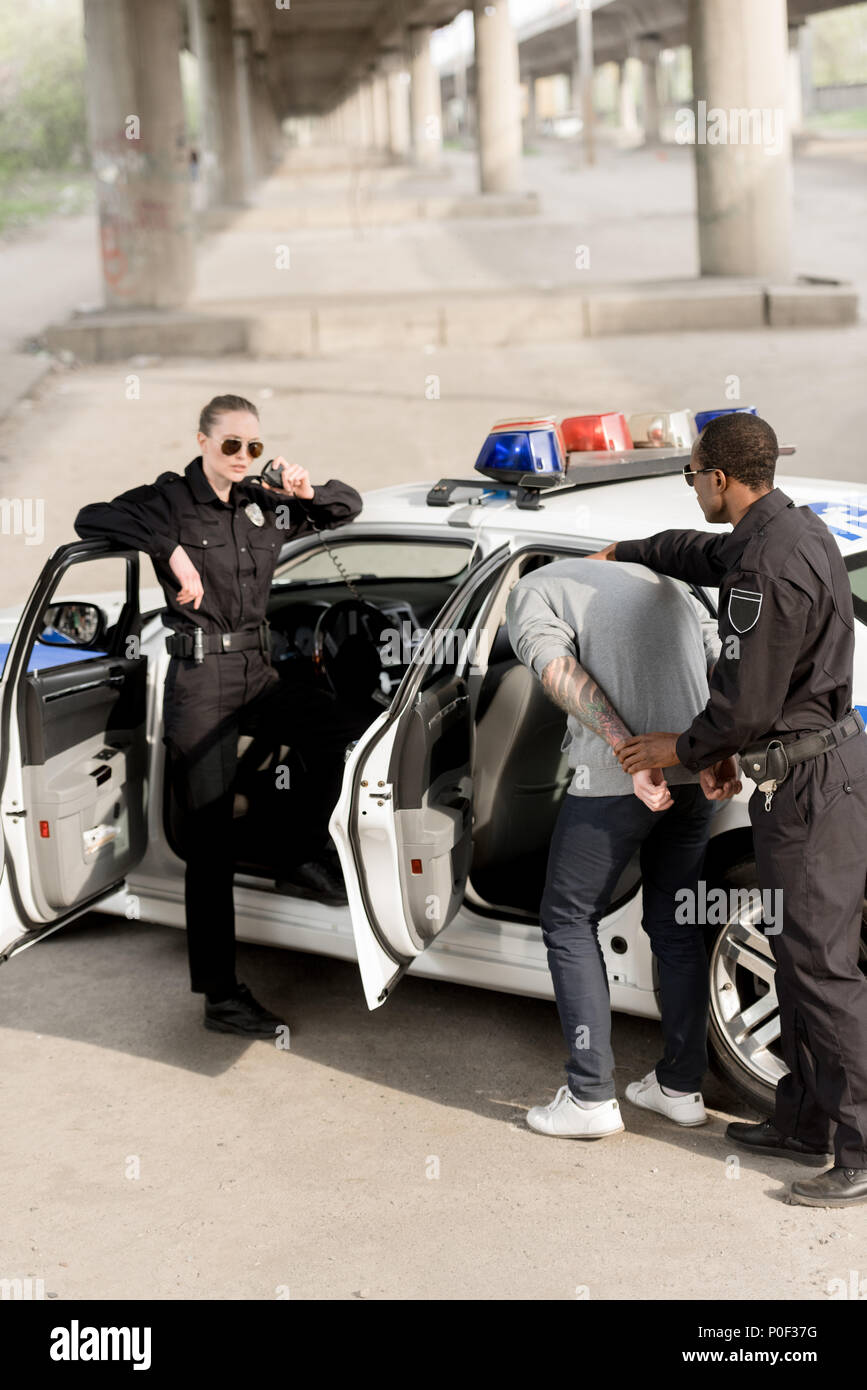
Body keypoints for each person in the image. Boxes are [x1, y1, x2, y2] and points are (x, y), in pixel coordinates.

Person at [593, 411, 867, 1207]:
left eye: (690, 475)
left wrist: (674, 752)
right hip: (813, 776)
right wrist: (632, 552)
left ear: (718, 478)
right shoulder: (787, 531)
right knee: (793, 957)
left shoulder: (765, 570)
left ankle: (858, 1148)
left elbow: (741, 708)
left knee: (822, 971)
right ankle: (804, 1120)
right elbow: (700, 552)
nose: (692, 486)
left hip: (807, 789)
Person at [74, 394, 363, 1038]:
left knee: (348, 736)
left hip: (258, 674)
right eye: (230, 444)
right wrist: (170, 549)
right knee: (210, 846)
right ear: (202, 441)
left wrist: (304, 488)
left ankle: (296, 848)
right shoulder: (170, 499)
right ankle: (221, 997)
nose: (241, 457)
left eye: (252, 446)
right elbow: (89, 516)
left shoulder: (265, 500)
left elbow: (348, 507)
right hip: (200, 681)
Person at [506, 555, 737, 1139]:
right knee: (677, 923)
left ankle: (589, 1097)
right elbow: (719, 666)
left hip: (619, 781)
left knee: (567, 918)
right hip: (692, 771)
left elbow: (555, 668)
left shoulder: (536, 584)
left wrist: (625, 751)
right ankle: (680, 1087)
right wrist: (714, 753)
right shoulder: (669, 581)